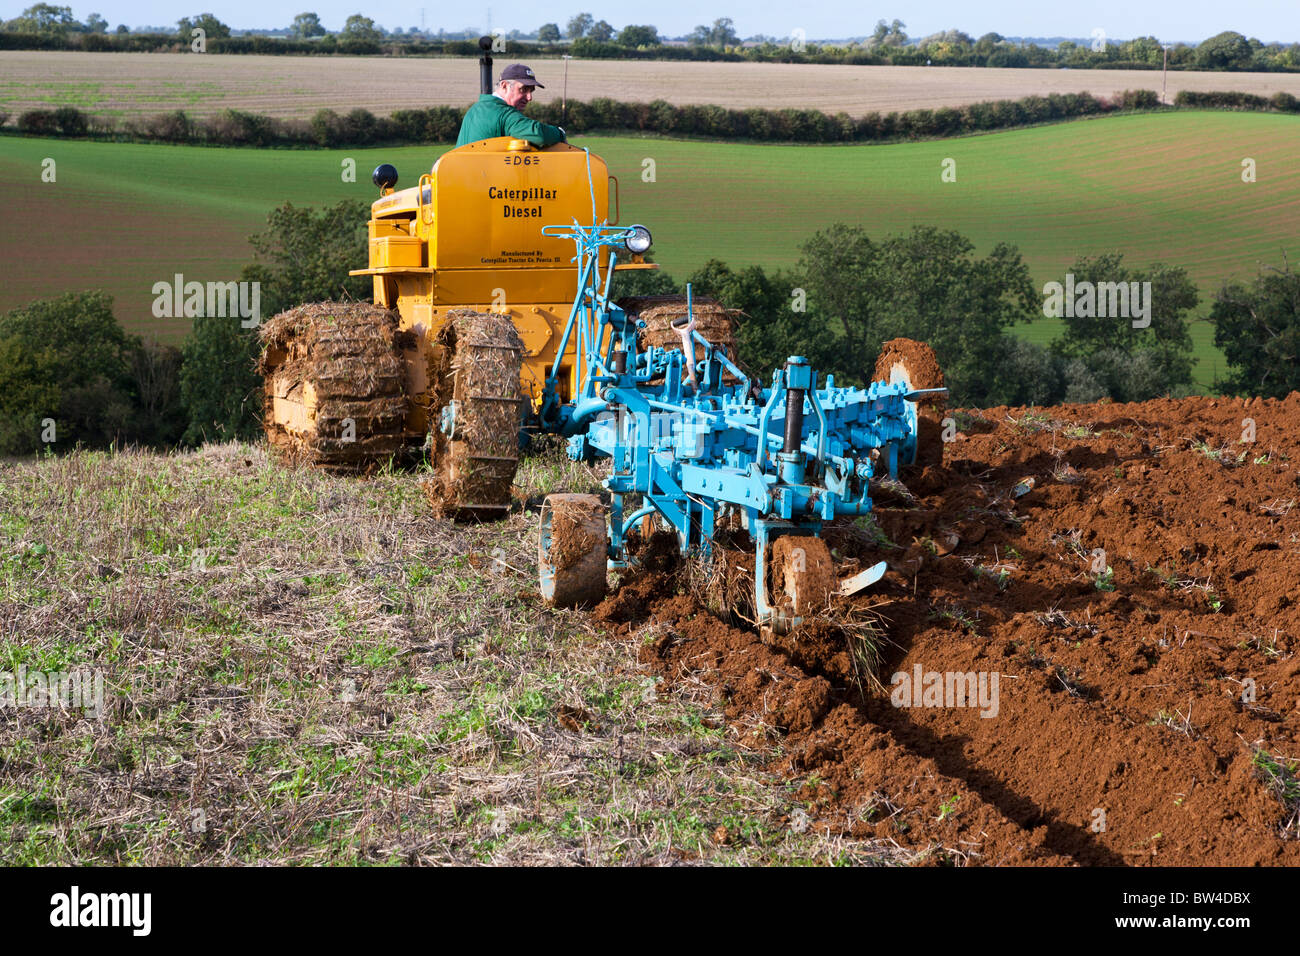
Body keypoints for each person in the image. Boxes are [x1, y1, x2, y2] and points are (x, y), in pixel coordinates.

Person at [456, 63, 567, 148]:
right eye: (523, 89)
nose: (529, 98)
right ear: (504, 86)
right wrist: (560, 133)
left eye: (531, 91)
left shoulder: (473, 110)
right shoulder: (505, 114)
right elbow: (538, 134)